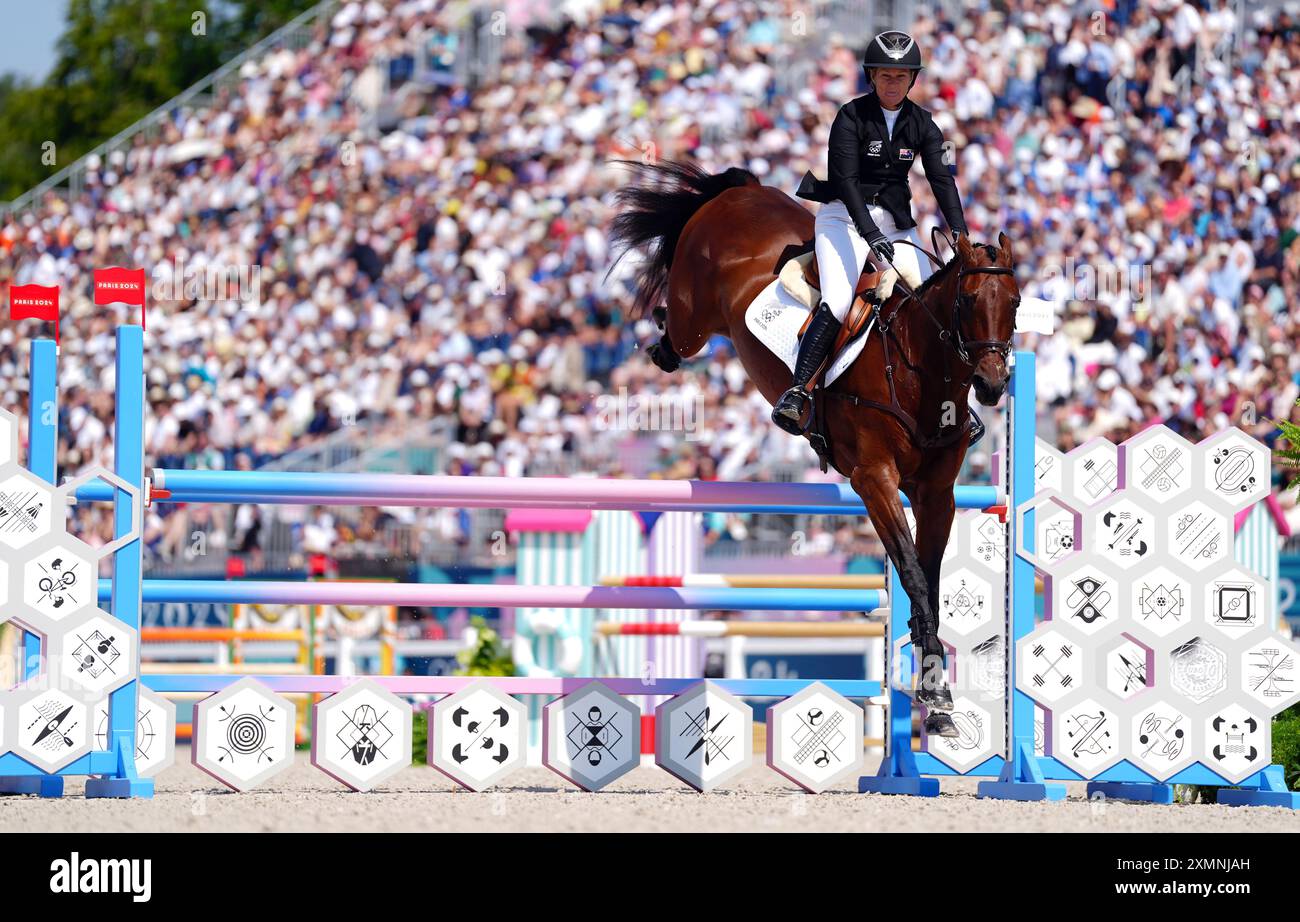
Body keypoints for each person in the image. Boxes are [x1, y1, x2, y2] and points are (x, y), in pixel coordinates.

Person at [773, 30, 970, 434]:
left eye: (900, 77)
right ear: (872, 77)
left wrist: (962, 234)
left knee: (931, 301)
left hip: (893, 222)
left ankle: (956, 405)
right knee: (840, 299)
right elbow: (845, 181)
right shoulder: (850, 116)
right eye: (885, 76)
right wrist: (869, 234)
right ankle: (798, 391)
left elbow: (941, 180)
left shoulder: (923, 124)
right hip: (843, 218)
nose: (893, 84)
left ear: (912, 80)